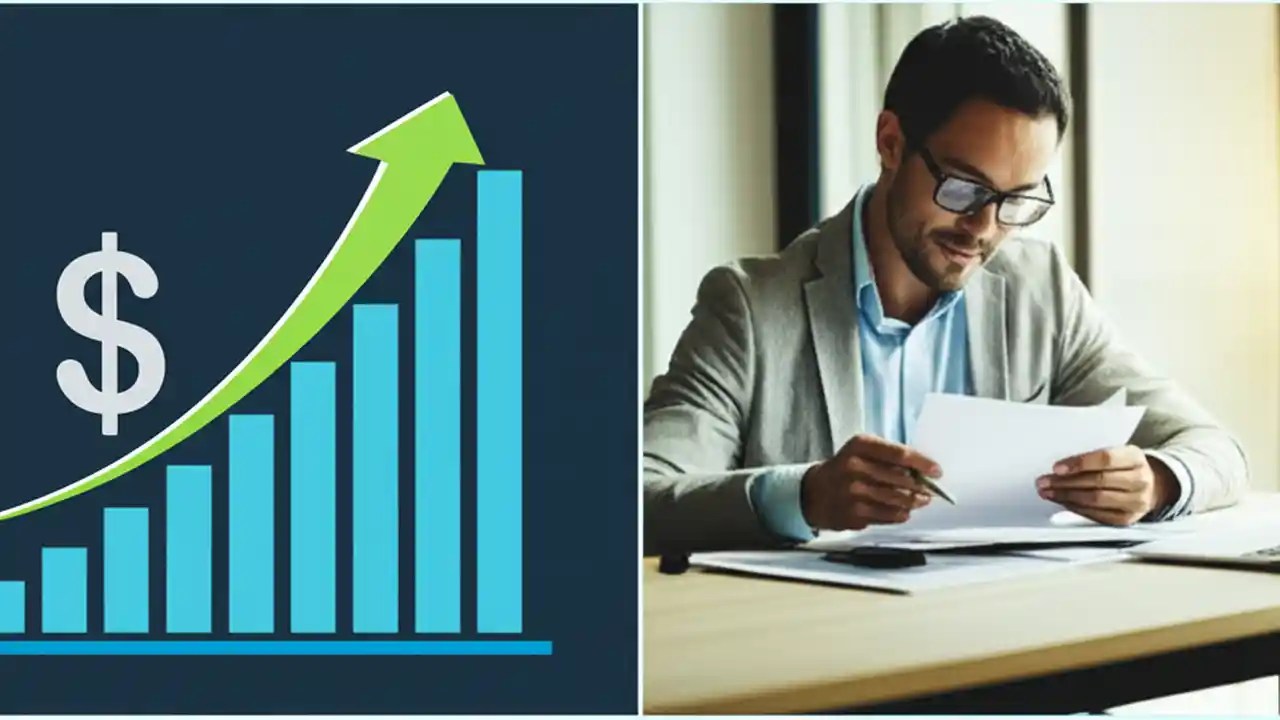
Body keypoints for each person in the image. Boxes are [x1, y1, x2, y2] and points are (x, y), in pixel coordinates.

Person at [642, 15, 1248, 557]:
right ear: (890, 142)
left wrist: (1156, 482)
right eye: (962, 188)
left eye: (1016, 200)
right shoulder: (750, 308)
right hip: (819, 639)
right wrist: (803, 496)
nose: (984, 227)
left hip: (994, 630)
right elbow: (637, 500)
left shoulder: (1040, 292)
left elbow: (1215, 449)